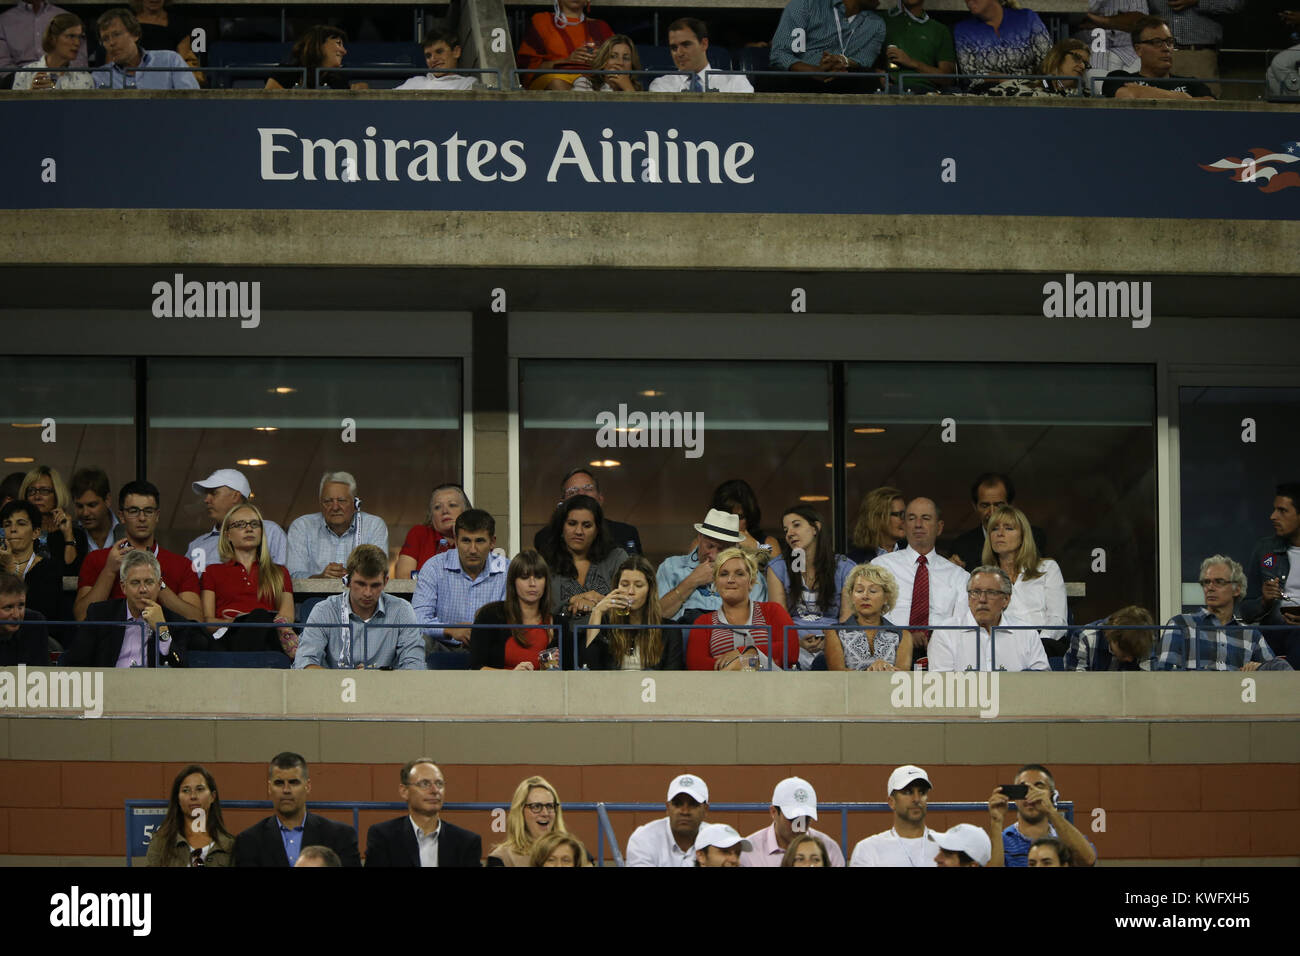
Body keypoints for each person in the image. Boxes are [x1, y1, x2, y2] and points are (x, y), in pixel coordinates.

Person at [74, 480, 200, 622]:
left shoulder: (181, 564)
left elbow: (196, 620)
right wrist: (109, 571)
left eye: (148, 511)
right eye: (134, 511)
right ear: (121, 516)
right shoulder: (97, 559)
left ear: (157, 515)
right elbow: (81, 617)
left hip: (163, 641)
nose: (142, 518)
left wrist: (157, 582)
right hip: (114, 642)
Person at [294, 544, 426, 669]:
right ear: (347, 581)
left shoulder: (401, 610)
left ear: (385, 582)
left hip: (386, 690)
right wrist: (352, 680)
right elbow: (304, 663)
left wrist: (376, 678)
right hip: (332, 690)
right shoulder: (324, 610)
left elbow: (415, 665)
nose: (368, 593)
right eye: (361, 584)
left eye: (375, 585)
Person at [62, 549, 201, 667]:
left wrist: (162, 629)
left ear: (159, 585)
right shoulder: (100, 615)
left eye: (149, 582)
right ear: (124, 587)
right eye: (135, 583)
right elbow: (74, 663)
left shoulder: (174, 622)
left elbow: (181, 669)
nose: (143, 589)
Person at [871, 496, 969, 661]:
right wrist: (905, 636)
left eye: (925, 518)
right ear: (904, 525)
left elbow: (962, 627)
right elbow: (869, 617)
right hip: (888, 656)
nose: (918, 524)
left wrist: (935, 638)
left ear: (939, 527)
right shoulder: (880, 567)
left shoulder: (959, 576)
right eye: (911, 518)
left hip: (942, 657)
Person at [1154, 554, 1290, 670]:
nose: (1210, 588)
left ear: (1237, 589)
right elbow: (1163, 676)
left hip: (1237, 700)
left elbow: (1279, 675)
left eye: (1218, 582)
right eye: (1206, 582)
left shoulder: (1251, 635)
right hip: (1191, 698)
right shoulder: (1180, 624)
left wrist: (1259, 669)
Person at [200, 502, 297, 656]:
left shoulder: (279, 572)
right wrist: (239, 623)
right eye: (240, 525)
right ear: (228, 535)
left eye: (254, 524)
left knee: (261, 616)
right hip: (229, 637)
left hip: (269, 636)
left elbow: (286, 617)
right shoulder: (212, 572)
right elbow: (208, 621)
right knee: (258, 616)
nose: (249, 528)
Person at [767, 504, 856, 669]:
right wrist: (797, 642)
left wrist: (829, 643)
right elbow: (780, 620)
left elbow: (846, 620)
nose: (790, 534)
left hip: (834, 645)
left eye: (796, 525)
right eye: (786, 530)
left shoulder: (845, 567)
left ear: (816, 528)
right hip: (793, 646)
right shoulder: (778, 568)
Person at [234, 752, 361, 867]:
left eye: (293, 782)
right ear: (269, 788)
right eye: (279, 783)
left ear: (308, 786)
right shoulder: (249, 841)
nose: (286, 790)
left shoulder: (340, 836)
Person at [686, 547, 799, 670]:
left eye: (739, 574)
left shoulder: (772, 610)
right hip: (721, 685)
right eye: (724, 574)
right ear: (715, 583)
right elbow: (696, 665)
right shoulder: (703, 622)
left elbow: (791, 650)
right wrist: (737, 665)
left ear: (751, 582)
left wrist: (748, 653)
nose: (730, 580)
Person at [413, 509, 507, 654]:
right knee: (419, 642)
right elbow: (417, 620)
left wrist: (480, 634)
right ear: (456, 541)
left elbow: (514, 621)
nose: (473, 550)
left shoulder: (507, 570)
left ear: (492, 542)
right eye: (466, 541)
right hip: (443, 647)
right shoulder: (434, 567)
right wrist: (449, 629)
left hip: (490, 650)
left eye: (480, 541)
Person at [364, 759, 482, 866]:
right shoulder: (383, 837)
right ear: (404, 791)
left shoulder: (466, 842)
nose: (435, 790)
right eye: (425, 784)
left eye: (439, 784)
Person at [928, 566, 1049, 672]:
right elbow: (941, 687)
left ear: (1006, 600)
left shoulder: (1026, 633)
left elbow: (1041, 682)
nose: (982, 599)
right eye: (975, 592)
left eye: (991, 592)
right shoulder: (945, 632)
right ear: (969, 598)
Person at [657, 509, 766, 626]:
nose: (714, 555)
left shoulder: (751, 576)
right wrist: (692, 581)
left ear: (736, 547)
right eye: (710, 546)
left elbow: (756, 625)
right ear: (699, 538)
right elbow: (657, 617)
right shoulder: (671, 567)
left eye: (722, 549)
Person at [983, 503, 1067, 649]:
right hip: (1000, 645)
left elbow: (1058, 620)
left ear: (1023, 535)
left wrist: (1037, 645)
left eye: (1009, 528)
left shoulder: (1047, 568)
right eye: (994, 528)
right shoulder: (983, 577)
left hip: (1044, 643)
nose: (1000, 533)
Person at [583, 554, 684, 670]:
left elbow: (673, 679)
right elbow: (589, 671)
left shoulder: (670, 631)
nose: (630, 591)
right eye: (624, 585)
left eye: (638, 585)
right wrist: (597, 612)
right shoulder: (606, 626)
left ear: (650, 590)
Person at [986, 764, 1097, 867]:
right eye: (1023, 789)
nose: (1030, 795)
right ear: (1015, 798)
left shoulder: (1066, 839)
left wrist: (1051, 810)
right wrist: (996, 823)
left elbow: (1088, 861)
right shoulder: (1001, 841)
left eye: (1038, 788)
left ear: (1051, 795)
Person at [539, 494, 627, 622]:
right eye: (572, 523)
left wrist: (601, 602)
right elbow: (537, 608)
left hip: (610, 638)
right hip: (562, 639)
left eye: (587, 525)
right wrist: (572, 601)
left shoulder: (616, 558)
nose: (579, 531)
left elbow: (631, 603)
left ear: (597, 530)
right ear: (561, 528)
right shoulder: (545, 562)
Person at [287, 471, 389, 580]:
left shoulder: (374, 525)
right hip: (315, 597)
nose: (335, 507)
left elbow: (380, 573)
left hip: (362, 596)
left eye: (341, 500)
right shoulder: (302, 526)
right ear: (320, 504)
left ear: (355, 503)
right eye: (328, 501)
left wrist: (354, 577)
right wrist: (319, 578)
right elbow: (293, 576)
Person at [1240, 481, 1300, 664]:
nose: (1273, 516)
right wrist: (1264, 602)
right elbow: (1246, 612)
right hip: (1273, 634)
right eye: (1274, 510)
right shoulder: (1266, 551)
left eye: (1282, 511)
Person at [768, 0, 886, 91]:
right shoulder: (806, 5)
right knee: (773, 78)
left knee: (870, 78)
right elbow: (779, 54)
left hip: (846, 82)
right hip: (802, 80)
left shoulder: (876, 24)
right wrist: (815, 71)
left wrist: (841, 62)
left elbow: (863, 62)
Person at [471, 549, 556, 670]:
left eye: (538, 577)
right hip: (498, 688)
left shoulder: (558, 624)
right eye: (524, 577)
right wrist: (511, 676)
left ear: (546, 582)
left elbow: (568, 675)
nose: (532, 583)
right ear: (513, 582)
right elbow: (476, 668)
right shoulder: (490, 616)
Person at [188, 468, 288, 572]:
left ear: (235, 496)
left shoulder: (269, 532)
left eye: (214, 493)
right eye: (206, 494)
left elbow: (284, 580)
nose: (206, 500)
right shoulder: (197, 545)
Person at [533, 467, 641, 556]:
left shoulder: (625, 534)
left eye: (588, 488)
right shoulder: (547, 537)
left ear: (600, 498)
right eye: (573, 491)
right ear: (562, 503)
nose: (581, 494)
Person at [740, 776, 846, 867]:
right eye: (793, 819)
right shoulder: (749, 852)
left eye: (806, 818)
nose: (799, 826)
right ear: (773, 812)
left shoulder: (830, 848)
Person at [950, 473, 1046, 571]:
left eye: (999, 505)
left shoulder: (1034, 537)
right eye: (985, 506)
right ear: (975, 507)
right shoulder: (961, 546)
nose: (992, 512)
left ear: (1011, 505)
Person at [1101, 16, 1215, 98]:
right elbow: (1127, 95)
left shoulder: (1191, 83)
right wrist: (1183, 98)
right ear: (1138, 49)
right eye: (1157, 42)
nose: (1166, 48)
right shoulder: (1119, 78)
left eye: (1169, 42)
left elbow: (1211, 106)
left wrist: (1142, 91)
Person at [849, 765, 940, 867]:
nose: (917, 799)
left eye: (922, 792)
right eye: (908, 792)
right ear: (891, 802)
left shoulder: (946, 847)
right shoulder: (868, 849)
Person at [145, 765, 235, 867]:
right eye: (186, 790)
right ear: (178, 798)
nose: (193, 796)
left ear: (212, 797)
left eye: (200, 789)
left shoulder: (229, 846)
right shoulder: (161, 843)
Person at [954, 0, 1053, 92]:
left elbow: (1048, 62)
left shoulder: (1027, 19)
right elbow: (971, 73)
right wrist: (1002, 79)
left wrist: (1039, 85)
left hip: (1032, 91)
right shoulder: (963, 30)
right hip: (986, 95)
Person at [827, 563, 910, 671]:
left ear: (886, 597)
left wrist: (885, 668)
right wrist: (870, 673)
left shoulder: (903, 635)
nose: (865, 596)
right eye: (859, 591)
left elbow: (903, 677)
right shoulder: (834, 632)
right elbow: (837, 674)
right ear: (852, 596)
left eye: (873, 591)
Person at [515, 0, 613, 91]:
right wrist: (566, 62)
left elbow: (618, 61)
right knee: (557, 83)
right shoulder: (542, 21)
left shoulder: (601, 27)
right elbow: (528, 69)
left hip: (593, 80)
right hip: (554, 80)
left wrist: (600, 59)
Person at [92, 7, 197, 88]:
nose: (111, 43)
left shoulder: (170, 61)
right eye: (105, 39)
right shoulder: (99, 77)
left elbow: (193, 103)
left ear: (135, 34)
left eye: (117, 34)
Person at [1144, 0, 1240, 87]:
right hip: (1158, 55)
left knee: (1203, 103)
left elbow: (1234, 3)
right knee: (1158, 103)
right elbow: (1138, 10)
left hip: (1198, 56)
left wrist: (1197, 1)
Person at [1, 501, 63, 628]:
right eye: (7, 524)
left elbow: (42, 613)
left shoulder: (50, 568)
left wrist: (11, 570)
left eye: (21, 524)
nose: (13, 529)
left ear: (36, 532)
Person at [19, 465, 87, 579]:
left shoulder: (76, 534)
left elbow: (72, 574)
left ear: (57, 495)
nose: (37, 496)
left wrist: (68, 535)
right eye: (31, 491)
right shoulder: (20, 533)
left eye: (44, 491)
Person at [626, 773, 709, 867]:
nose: (685, 811)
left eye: (693, 804)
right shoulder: (643, 838)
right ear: (668, 808)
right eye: (677, 804)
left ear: (705, 810)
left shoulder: (718, 839)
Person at [487, 775, 571, 866]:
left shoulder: (574, 851)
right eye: (536, 807)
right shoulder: (502, 858)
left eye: (549, 806)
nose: (545, 813)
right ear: (520, 812)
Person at [649, 18, 752, 92]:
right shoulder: (661, 86)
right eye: (674, 48)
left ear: (704, 44)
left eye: (686, 45)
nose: (679, 53)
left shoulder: (735, 81)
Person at [0, 0, 87, 83]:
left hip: (66, 78)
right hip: (18, 80)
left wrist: (63, 78)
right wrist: (24, 79)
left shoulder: (66, 18)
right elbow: (3, 63)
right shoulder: (3, 21)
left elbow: (79, 59)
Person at [395, 483, 469, 579]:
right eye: (437, 507)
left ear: (465, 511)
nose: (445, 511)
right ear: (431, 516)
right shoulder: (419, 534)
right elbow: (403, 577)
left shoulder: (476, 535)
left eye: (452, 505)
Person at [882, 0, 956, 93]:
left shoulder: (940, 30)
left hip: (925, 95)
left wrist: (912, 63)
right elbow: (866, 61)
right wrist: (879, 75)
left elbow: (948, 79)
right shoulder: (880, 21)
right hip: (887, 93)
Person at [265, 24, 365, 90]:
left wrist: (359, 91)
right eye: (338, 44)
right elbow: (269, 107)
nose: (344, 51)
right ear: (319, 45)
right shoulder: (285, 73)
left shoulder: (338, 79)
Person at [11, 12, 90, 89]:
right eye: (71, 36)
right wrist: (31, 95)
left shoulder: (85, 78)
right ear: (52, 38)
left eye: (80, 37)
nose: (77, 43)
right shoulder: (25, 74)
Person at [985, 37, 1091, 94]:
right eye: (1077, 58)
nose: (1082, 66)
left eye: (1086, 64)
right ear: (1058, 56)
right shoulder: (1019, 86)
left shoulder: (1087, 96)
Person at [1066, 604, 1155, 671]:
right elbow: (1076, 686)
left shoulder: (1145, 640)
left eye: (1134, 655)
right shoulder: (1085, 638)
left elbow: (1147, 685)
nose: (1130, 659)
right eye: (1124, 653)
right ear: (1112, 636)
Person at [709, 478, 781, 558]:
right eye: (728, 515)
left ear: (749, 518)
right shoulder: (703, 542)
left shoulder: (767, 543)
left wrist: (756, 548)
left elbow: (772, 553)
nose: (732, 522)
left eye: (739, 517)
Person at [131, 0, 199, 83]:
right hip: (133, 79)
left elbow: (182, 62)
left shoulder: (179, 23)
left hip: (169, 81)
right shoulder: (128, 23)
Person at [395, 30, 478, 90]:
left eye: (439, 52)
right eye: (428, 56)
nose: (433, 59)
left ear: (456, 52)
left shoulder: (468, 84)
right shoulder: (414, 82)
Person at [0, 571, 50, 666]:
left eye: (21, 606)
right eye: (8, 607)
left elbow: (39, 673)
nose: (16, 615)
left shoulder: (35, 622)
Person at [847, 485, 905, 564]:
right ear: (878, 518)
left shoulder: (914, 555)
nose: (905, 519)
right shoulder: (853, 562)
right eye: (900, 514)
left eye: (905, 514)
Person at [70, 468, 120, 553]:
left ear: (107, 500)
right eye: (79, 506)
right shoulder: (70, 534)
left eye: (92, 505)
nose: (85, 513)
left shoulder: (126, 529)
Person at [571, 33, 642, 91]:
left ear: (632, 66)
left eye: (626, 58)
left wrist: (628, 88)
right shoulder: (585, 83)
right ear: (603, 61)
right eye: (613, 56)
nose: (620, 63)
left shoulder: (636, 89)